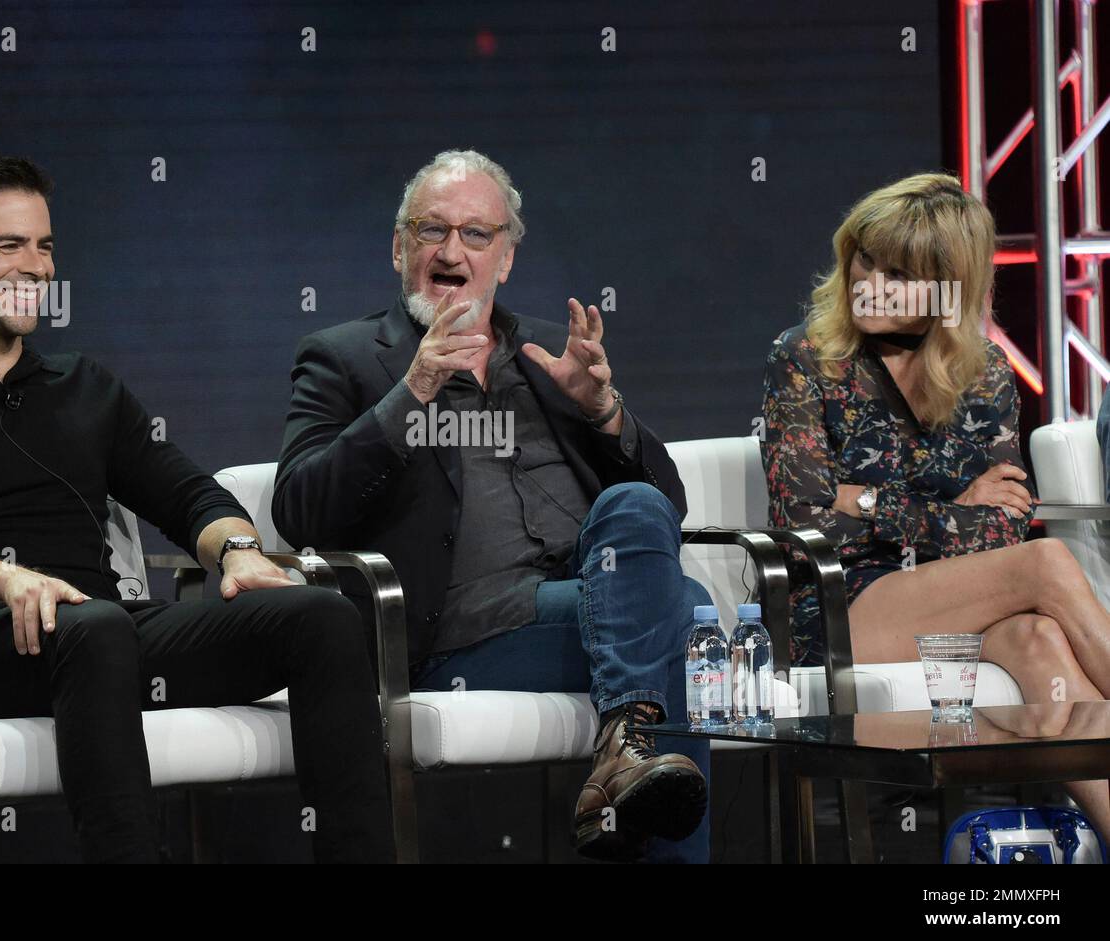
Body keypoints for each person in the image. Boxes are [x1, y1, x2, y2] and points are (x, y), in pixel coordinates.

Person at [0, 154, 394, 863]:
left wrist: (238, 551)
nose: (37, 267)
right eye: (10, 245)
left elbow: (189, 494)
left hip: (102, 636)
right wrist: (5, 579)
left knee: (321, 615)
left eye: (45, 246)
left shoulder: (83, 385)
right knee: (94, 627)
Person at [273, 149, 711, 863]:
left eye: (477, 235)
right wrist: (409, 392)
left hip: (586, 594)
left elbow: (667, 510)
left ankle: (624, 751)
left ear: (504, 258)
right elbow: (299, 508)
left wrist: (605, 412)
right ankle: (625, 775)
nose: (452, 252)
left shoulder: (544, 354)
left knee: (638, 513)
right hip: (458, 632)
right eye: (431, 230)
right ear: (398, 247)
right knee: (685, 617)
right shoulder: (346, 356)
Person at [762, 171, 1110, 840]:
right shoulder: (804, 359)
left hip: (956, 611)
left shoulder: (985, 376)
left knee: (1039, 639)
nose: (872, 281)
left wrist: (865, 500)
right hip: (835, 609)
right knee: (1044, 565)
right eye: (867, 257)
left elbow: (1005, 517)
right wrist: (952, 512)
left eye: (900, 273)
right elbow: (804, 519)